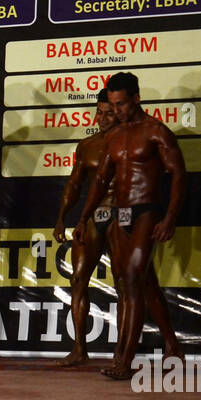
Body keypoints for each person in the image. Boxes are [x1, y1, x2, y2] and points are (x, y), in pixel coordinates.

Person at [75, 71, 185, 380]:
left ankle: (125, 360)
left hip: (146, 211)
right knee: (142, 281)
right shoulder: (114, 136)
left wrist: (169, 218)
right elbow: (99, 181)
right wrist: (83, 217)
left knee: (132, 278)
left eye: (121, 104)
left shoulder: (156, 132)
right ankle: (172, 345)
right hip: (120, 214)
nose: (116, 111)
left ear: (136, 98)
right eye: (111, 105)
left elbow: (178, 175)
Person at [52, 89, 117, 365]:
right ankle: (79, 349)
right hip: (91, 217)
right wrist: (61, 216)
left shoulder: (130, 141)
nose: (102, 118)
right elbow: (74, 185)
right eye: (99, 112)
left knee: (127, 285)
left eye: (109, 113)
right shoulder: (87, 145)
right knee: (77, 280)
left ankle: (122, 351)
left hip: (122, 215)